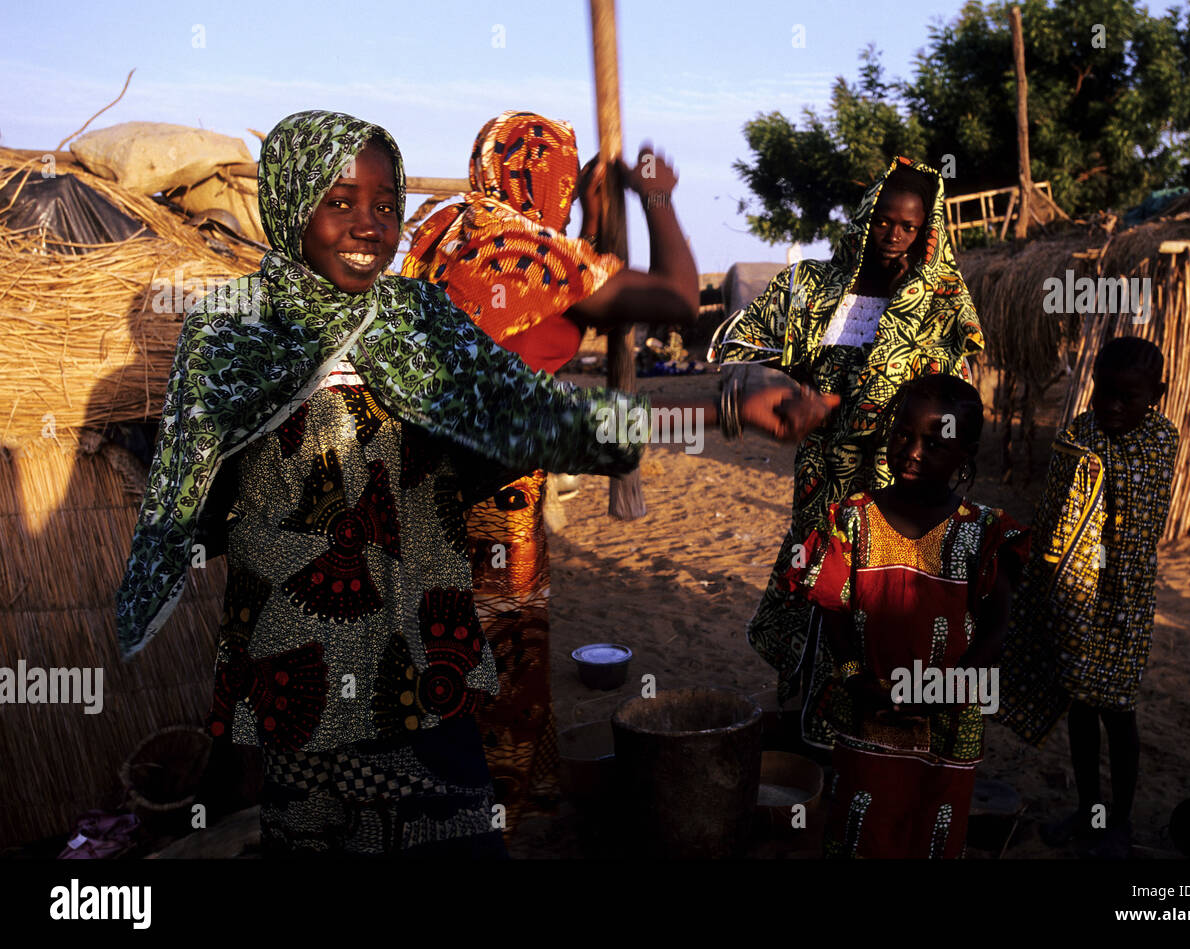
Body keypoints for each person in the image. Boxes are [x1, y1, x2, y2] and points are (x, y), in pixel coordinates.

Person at [115, 110, 828, 857]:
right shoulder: (231, 333)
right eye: (339, 201)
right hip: (303, 677)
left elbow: (546, 416)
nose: (369, 224)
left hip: (425, 659)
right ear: (292, 201)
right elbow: (193, 498)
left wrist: (722, 407)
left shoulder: (418, 311)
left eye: (385, 204)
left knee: (454, 825)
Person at [399, 111, 697, 821]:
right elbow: (681, 298)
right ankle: (486, 809)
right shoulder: (524, 250)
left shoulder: (437, 230)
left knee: (432, 648)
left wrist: (596, 219)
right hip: (491, 490)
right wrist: (658, 196)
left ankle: (448, 794)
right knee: (497, 658)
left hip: (412, 484)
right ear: (549, 177)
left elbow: (559, 287)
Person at [709, 156, 985, 749]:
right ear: (867, 217)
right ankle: (812, 728)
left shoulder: (935, 299)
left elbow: (936, 394)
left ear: (926, 230)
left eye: (908, 226)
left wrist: (832, 402)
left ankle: (869, 730)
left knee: (875, 600)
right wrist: (778, 387)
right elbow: (735, 344)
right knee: (818, 586)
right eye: (884, 220)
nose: (892, 234)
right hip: (819, 477)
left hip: (894, 480)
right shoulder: (813, 286)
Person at [783, 375, 1027, 857]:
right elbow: (834, 605)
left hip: (949, 717)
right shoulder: (854, 518)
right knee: (863, 821)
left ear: (965, 454)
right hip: (867, 706)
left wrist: (949, 689)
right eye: (903, 435)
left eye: (935, 444)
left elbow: (997, 624)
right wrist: (854, 673)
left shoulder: (985, 532)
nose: (912, 452)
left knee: (932, 824)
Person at [995, 337, 1178, 860]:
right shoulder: (1080, 434)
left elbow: (1140, 521)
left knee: (1118, 712)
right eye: (1104, 392)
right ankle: (1088, 809)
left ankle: (1118, 821)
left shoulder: (1161, 441)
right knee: (1079, 701)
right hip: (1077, 593)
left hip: (1127, 600)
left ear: (1156, 395)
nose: (1113, 406)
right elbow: (1058, 511)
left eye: (1129, 397)